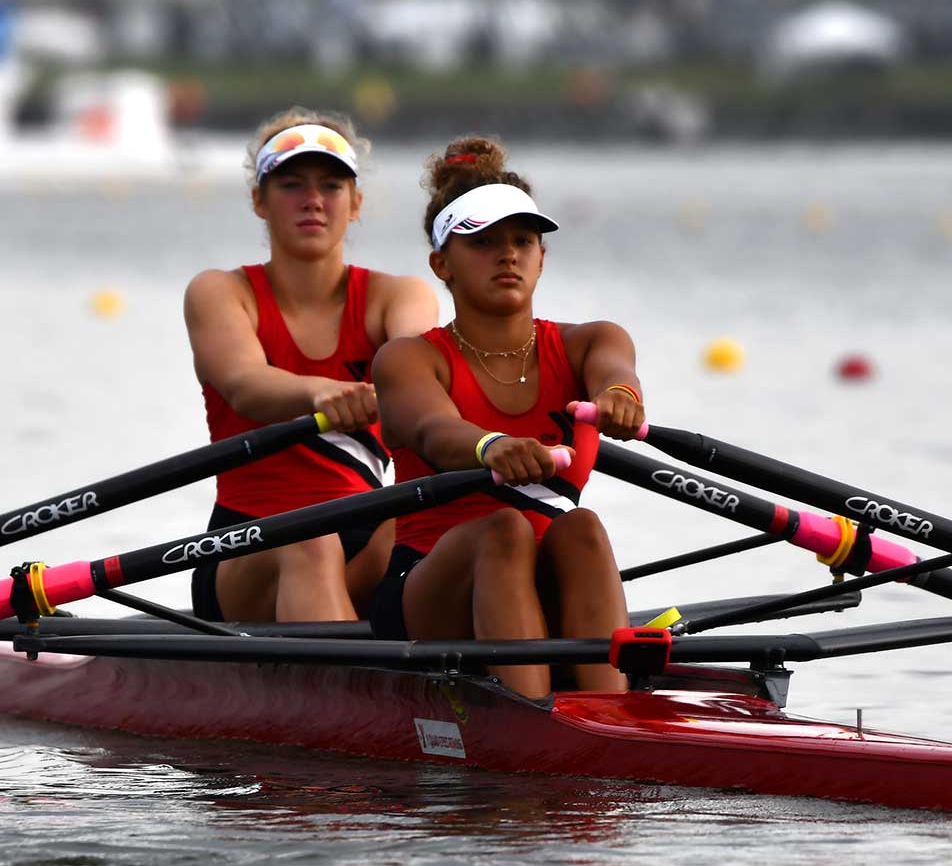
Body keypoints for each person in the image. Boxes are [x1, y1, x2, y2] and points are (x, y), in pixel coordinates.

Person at [370, 136, 645, 698]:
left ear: (543, 257)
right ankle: (536, 721)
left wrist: (620, 396)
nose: (509, 254)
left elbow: (617, 371)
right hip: (430, 591)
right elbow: (432, 428)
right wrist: (488, 445)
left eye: (524, 240)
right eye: (485, 242)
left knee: (582, 527)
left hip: (549, 582)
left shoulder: (590, 342)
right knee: (504, 529)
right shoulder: (408, 358)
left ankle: (611, 719)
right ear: (441, 262)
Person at [183, 108, 437, 623]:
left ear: (356, 202)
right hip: (247, 542)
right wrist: (321, 392)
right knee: (312, 542)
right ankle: (355, 692)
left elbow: (415, 371)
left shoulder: (398, 296)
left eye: (331, 186)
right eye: (291, 184)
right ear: (259, 200)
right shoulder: (221, 292)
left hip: (366, 536)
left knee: (439, 521)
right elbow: (244, 384)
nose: (313, 201)